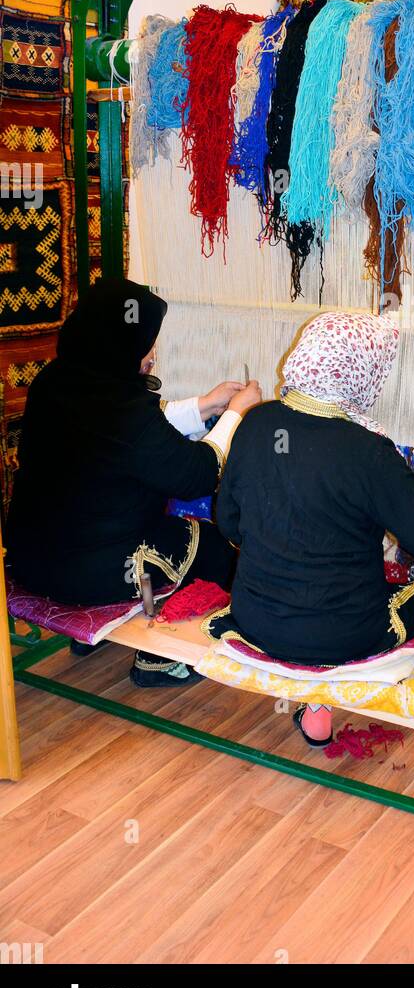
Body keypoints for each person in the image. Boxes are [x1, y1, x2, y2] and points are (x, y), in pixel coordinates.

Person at [215, 311, 414, 749]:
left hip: (256, 619)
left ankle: (316, 711)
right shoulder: (368, 452)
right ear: (360, 373)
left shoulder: (258, 424)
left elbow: (230, 524)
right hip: (346, 635)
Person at [6, 278, 261, 686]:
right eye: (147, 344)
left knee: (101, 524)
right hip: (92, 575)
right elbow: (195, 474)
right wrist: (235, 415)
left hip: (31, 563)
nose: (152, 356)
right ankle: (160, 657)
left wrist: (206, 405)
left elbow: (133, 436)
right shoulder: (124, 409)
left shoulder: (55, 381)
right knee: (219, 550)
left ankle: (92, 630)